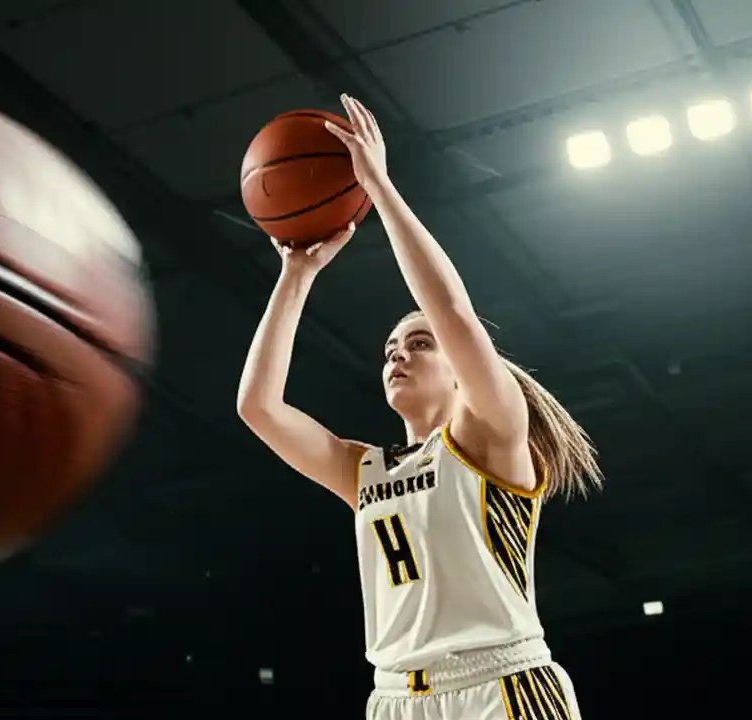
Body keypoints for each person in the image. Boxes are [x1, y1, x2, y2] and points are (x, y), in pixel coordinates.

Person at [235, 93, 603, 720]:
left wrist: (377, 188)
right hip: (396, 698)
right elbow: (258, 406)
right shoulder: (366, 472)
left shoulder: (491, 432)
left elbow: (453, 311)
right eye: (389, 349)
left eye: (419, 343)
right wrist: (295, 277)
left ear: (460, 374)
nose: (397, 355)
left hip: (502, 685)